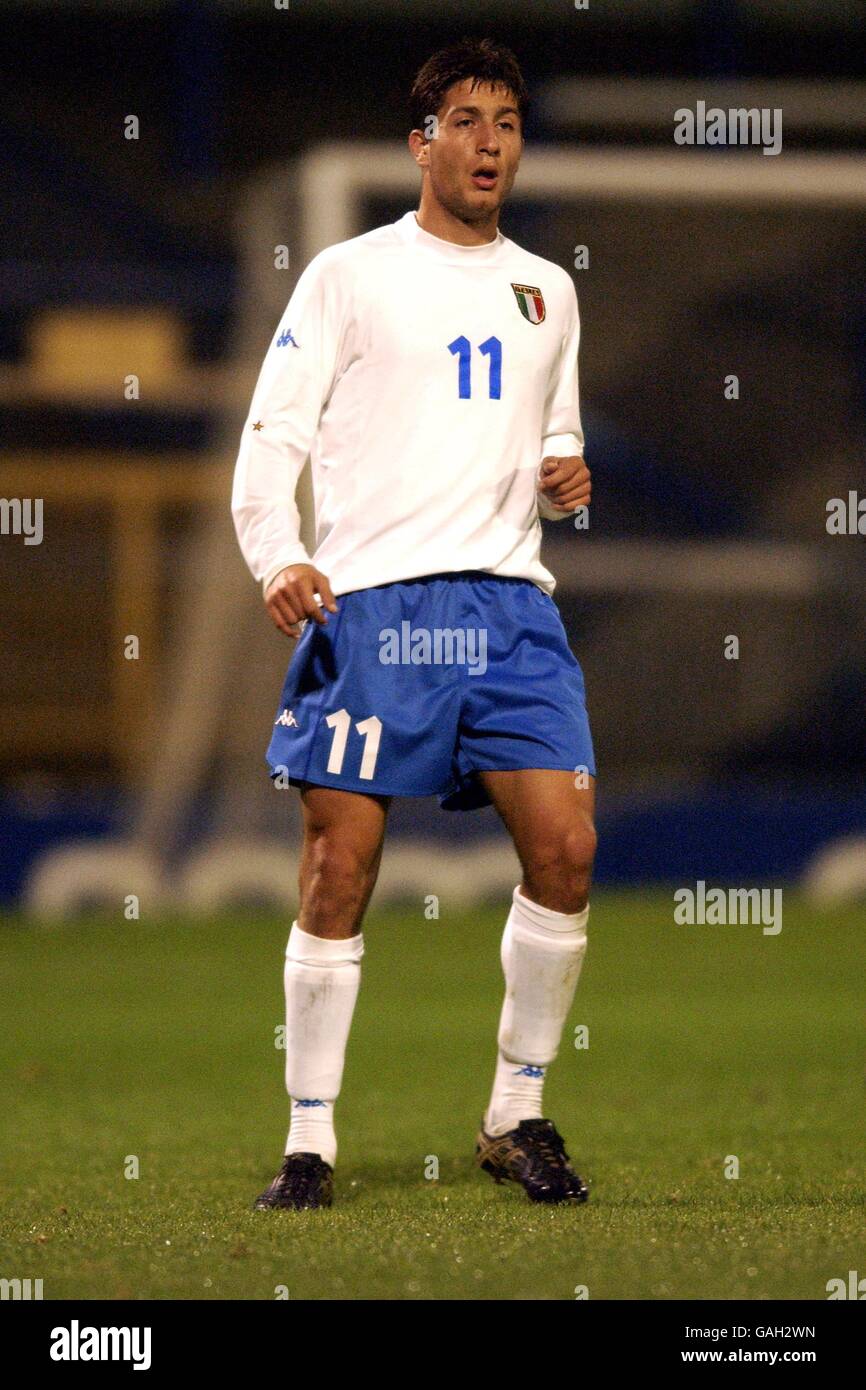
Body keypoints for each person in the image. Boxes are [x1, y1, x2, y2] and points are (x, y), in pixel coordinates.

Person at [232, 37, 596, 1210]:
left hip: (508, 611)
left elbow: (555, 437)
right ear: (420, 143)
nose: (489, 140)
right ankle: (309, 1139)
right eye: (466, 119)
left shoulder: (549, 289)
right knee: (339, 865)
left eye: (506, 121)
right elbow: (273, 433)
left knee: (567, 851)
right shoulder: (347, 274)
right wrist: (278, 553)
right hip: (376, 605)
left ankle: (516, 1114)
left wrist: (562, 475)